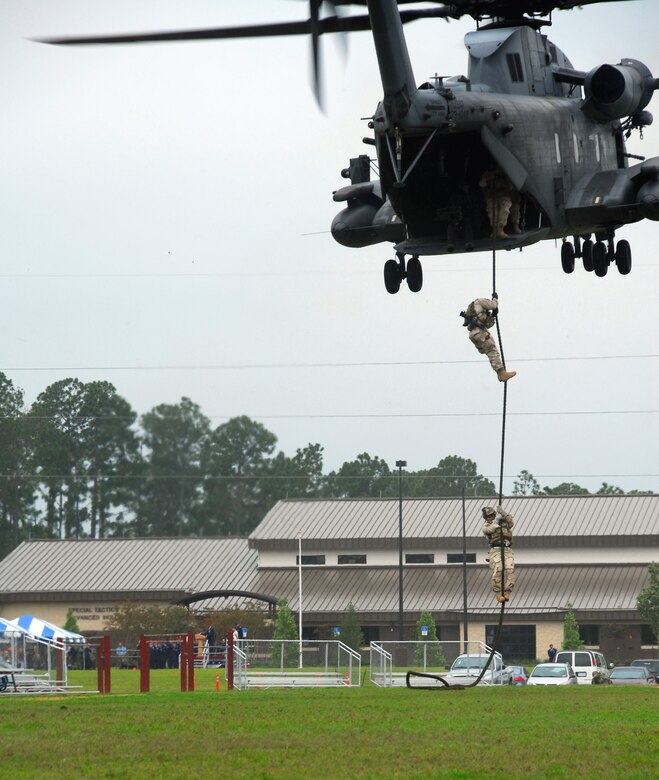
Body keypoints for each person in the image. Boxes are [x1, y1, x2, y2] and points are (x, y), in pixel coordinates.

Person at [460, 295, 516, 382]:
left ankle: (499, 372)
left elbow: (488, 325)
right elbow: (493, 305)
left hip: (473, 334)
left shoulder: (474, 311)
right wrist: (495, 299)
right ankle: (501, 373)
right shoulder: (480, 301)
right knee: (491, 350)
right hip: (479, 332)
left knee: (487, 351)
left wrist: (493, 315)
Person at [481, 504, 515, 603]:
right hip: (496, 550)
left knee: (510, 569)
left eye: (491, 516)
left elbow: (511, 523)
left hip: (507, 549)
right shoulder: (486, 526)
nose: (489, 518)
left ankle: (508, 591)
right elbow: (490, 529)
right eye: (487, 517)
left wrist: (503, 513)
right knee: (498, 569)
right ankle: (498, 593)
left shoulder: (502, 522)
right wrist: (496, 521)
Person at [479, 167, 518, 239]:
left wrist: (502, 184)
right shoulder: (487, 174)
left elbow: (511, 186)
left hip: (504, 195)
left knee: (504, 209)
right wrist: (489, 179)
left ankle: (500, 230)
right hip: (491, 196)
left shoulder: (506, 173)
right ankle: (495, 230)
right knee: (492, 211)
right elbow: (481, 183)